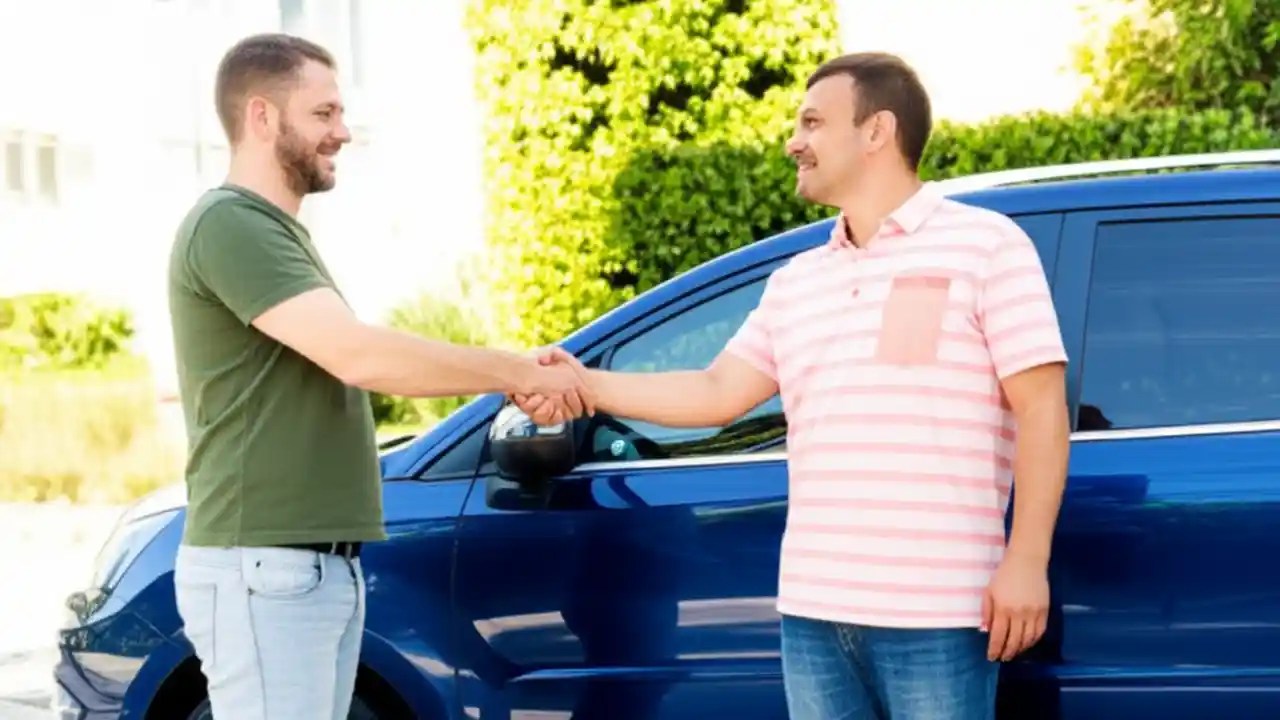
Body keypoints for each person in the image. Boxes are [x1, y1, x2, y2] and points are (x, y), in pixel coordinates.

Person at [515, 51, 1070, 720]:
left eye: (811, 122)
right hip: (812, 612)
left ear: (877, 131)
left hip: (938, 610)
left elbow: (1042, 409)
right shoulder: (797, 281)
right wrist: (585, 385)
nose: (793, 141)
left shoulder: (988, 247)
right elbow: (717, 392)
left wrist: (1026, 561)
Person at [167, 33, 590, 719]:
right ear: (262, 116)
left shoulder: (275, 232)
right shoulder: (231, 225)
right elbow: (358, 355)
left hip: (300, 566)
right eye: (324, 113)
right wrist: (513, 370)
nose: (343, 132)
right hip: (264, 567)